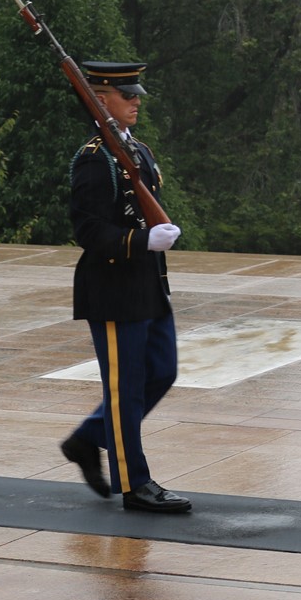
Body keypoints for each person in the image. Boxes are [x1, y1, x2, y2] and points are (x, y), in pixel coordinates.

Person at [57, 61, 193, 513]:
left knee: (162, 371)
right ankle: (135, 485)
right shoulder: (96, 159)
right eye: (126, 95)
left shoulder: (136, 150)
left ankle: (88, 439)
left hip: (147, 285)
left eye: (136, 94)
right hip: (113, 289)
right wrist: (141, 241)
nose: (136, 101)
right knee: (126, 390)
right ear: (100, 100)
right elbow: (89, 231)